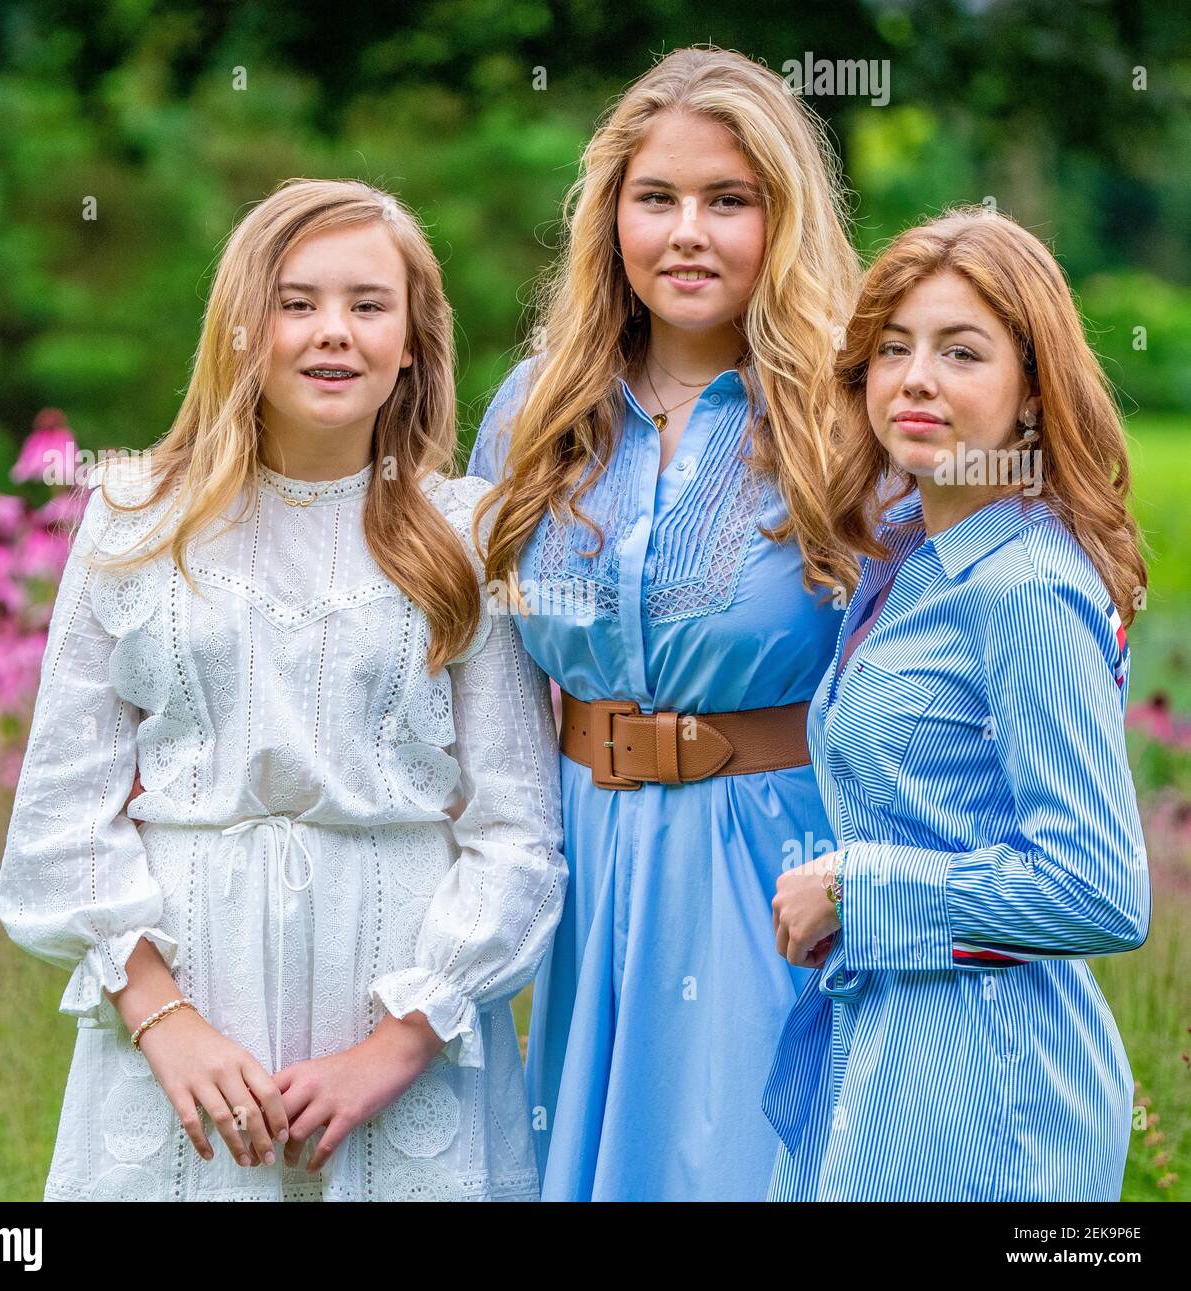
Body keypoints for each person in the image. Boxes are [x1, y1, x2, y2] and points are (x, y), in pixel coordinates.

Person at [0, 178, 566, 1201]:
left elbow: (517, 831)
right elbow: (61, 816)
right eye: (295, 302)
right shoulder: (135, 519)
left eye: (367, 304)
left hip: (399, 1006)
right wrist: (163, 1019)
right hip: (190, 1001)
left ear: (412, 340)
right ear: (240, 328)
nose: (331, 333)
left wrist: (399, 1039)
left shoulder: (468, 532)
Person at [467, 47, 860, 1200]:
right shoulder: (537, 408)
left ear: (779, 219)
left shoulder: (851, 419)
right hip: (583, 859)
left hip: (772, 861)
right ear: (612, 217)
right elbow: (481, 666)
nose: (687, 231)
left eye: (727, 200)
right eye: (657, 198)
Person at [764, 206, 1151, 1201]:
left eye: (961, 351)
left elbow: (1097, 889)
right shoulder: (904, 551)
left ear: (1031, 390)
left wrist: (857, 889)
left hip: (987, 1087)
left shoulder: (1023, 584)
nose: (916, 378)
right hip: (883, 1051)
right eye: (893, 347)